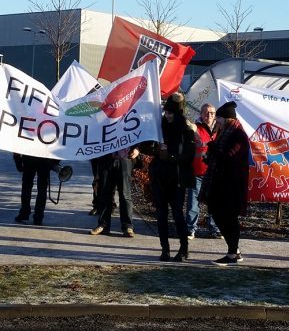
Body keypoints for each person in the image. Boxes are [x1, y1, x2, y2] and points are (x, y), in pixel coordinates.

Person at [141, 92, 195, 261]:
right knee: (161, 214)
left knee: (178, 214)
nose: (168, 115)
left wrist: (170, 156)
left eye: (171, 113)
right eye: (166, 112)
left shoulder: (186, 130)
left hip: (177, 178)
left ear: (178, 113)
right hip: (160, 177)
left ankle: (184, 249)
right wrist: (156, 150)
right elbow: (145, 146)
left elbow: (189, 154)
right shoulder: (158, 127)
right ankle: (165, 249)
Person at [200, 101, 250, 266]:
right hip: (219, 183)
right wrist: (210, 156)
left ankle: (232, 253)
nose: (217, 121)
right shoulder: (224, 133)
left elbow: (230, 157)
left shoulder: (238, 135)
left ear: (227, 118)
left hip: (231, 185)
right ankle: (234, 250)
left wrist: (214, 151)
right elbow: (219, 157)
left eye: (219, 117)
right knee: (218, 214)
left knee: (228, 217)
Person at [186, 103, 222, 239]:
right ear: (201, 114)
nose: (209, 115)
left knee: (214, 203)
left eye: (212, 113)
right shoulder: (196, 128)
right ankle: (190, 229)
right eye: (206, 112)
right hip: (198, 172)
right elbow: (188, 126)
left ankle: (214, 229)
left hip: (213, 173)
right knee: (193, 202)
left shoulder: (219, 130)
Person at [90, 147, 138, 238]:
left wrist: (137, 148)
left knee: (125, 194)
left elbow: (139, 132)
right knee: (104, 193)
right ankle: (103, 225)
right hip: (105, 158)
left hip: (125, 157)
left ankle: (127, 226)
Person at [13, 154, 58, 225]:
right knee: (42, 189)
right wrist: (54, 162)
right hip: (45, 158)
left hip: (29, 157)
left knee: (26, 186)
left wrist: (17, 160)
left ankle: (24, 213)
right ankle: (38, 217)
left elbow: (18, 145)